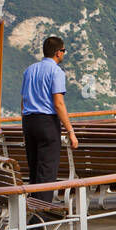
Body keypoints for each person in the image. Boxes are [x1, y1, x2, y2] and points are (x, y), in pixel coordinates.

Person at [20, 36, 78, 204]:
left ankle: (31, 210)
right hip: (47, 122)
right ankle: (42, 212)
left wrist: (25, 119)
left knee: (34, 167)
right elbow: (58, 103)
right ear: (58, 52)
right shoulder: (56, 72)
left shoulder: (29, 70)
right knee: (46, 169)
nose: (64, 54)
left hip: (29, 121)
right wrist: (71, 131)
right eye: (64, 51)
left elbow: (23, 100)